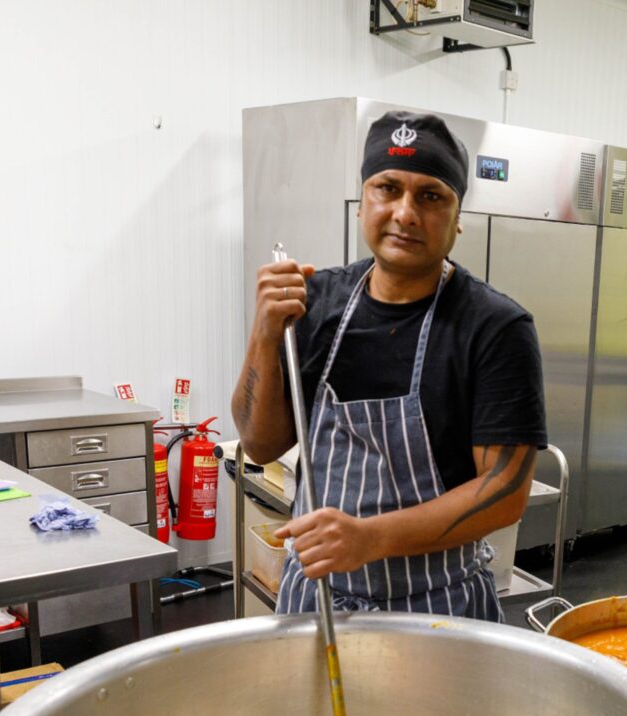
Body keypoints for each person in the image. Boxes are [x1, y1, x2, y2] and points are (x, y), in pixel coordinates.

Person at [232, 110, 546, 622]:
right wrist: (265, 333)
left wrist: (369, 538)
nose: (405, 212)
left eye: (430, 196)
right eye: (388, 188)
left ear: (458, 217)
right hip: (317, 600)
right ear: (362, 205)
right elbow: (260, 444)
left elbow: (503, 493)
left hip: (439, 607)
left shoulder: (494, 327)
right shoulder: (318, 303)